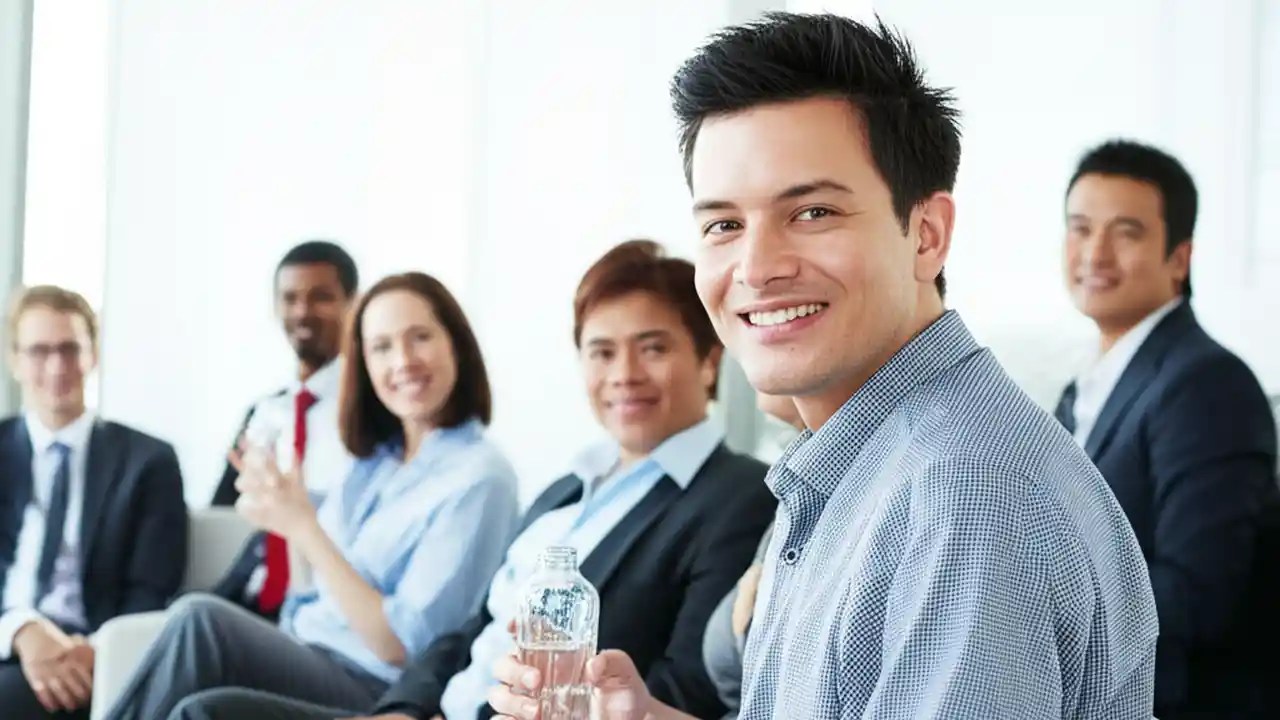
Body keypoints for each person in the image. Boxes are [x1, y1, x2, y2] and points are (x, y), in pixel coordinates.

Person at [490, 13, 1159, 720]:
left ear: (926, 236)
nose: (756, 267)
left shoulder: (964, 495)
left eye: (811, 212)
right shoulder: (853, 463)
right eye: (723, 225)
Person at [157, 240, 775, 720]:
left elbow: (691, 688)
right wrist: (403, 708)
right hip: (428, 705)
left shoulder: (735, 495)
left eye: (653, 348)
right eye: (601, 352)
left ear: (709, 359)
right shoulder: (569, 487)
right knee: (205, 711)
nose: (624, 374)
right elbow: (471, 627)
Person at [102, 272, 520, 720]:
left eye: (419, 338)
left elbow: (403, 646)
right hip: (308, 645)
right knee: (193, 688)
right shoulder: (375, 462)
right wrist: (286, 517)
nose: (402, 361)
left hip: (379, 685)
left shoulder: (480, 476)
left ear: (455, 344)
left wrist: (304, 526)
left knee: (200, 621)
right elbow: (309, 594)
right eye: (381, 347)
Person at [1054, 140, 1278, 718]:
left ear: (1179, 257)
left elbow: (1197, 597)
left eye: (1126, 232)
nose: (1094, 253)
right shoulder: (1085, 385)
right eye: (1080, 228)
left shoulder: (1205, 385)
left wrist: (1032, 586)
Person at [0, 285, 187, 720]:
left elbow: (153, 590)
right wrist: (21, 631)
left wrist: (93, 653)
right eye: (38, 351)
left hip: (90, 658)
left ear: (93, 354)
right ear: (14, 360)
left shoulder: (148, 461)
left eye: (70, 349)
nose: (56, 366)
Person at [210, 240, 359, 619]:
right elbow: (223, 515)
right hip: (251, 593)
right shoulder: (265, 412)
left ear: (353, 305)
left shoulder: (367, 414)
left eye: (321, 297)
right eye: (289, 298)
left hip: (321, 603)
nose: (302, 312)